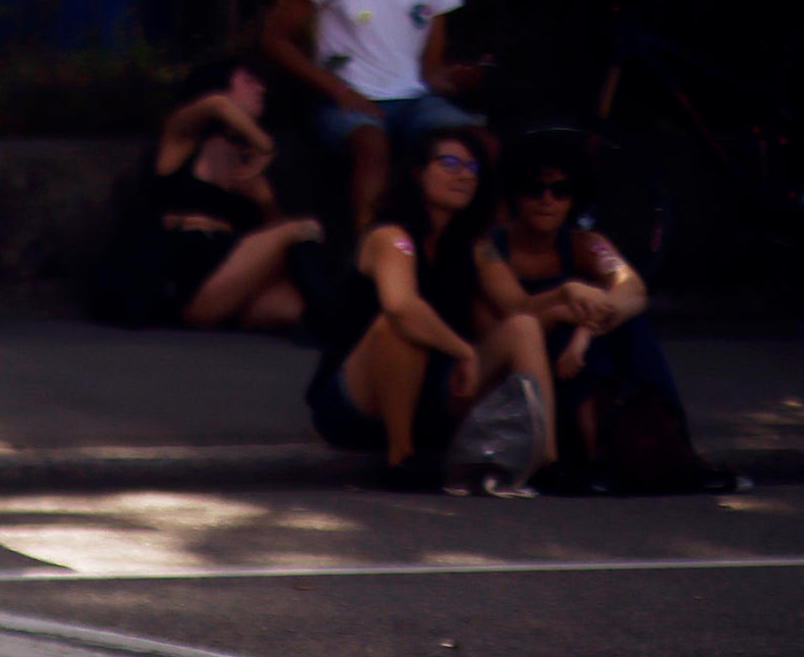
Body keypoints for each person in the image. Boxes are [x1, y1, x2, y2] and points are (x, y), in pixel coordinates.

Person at [305, 125, 546, 489]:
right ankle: (401, 458)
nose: (464, 175)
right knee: (399, 327)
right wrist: (464, 350)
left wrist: (572, 298)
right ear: (417, 173)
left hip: (433, 394)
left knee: (523, 327)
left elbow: (520, 305)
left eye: (472, 168)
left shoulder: (474, 246)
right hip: (354, 403)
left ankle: (543, 458)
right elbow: (401, 307)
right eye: (450, 163)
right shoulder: (390, 237)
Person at [478, 136, 708, 490]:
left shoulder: (586, 243)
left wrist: (586, 332)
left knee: (632, 327)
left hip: (574, 358)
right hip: (512, 370)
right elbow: (517, 310)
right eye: (533, 188)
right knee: (568, 331)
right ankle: (590, 455)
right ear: (514, 194)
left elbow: (633, 290)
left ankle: (673, 443)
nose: (546, 200)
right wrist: (566, 296)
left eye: (561, 190)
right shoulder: (491, 248)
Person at [261, 0, 481, 231]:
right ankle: (369, 253)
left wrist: (455, 77)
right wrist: (338, 89)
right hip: (348, 99)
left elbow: (430, 71)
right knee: (371, 145)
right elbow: (275, 38)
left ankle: (483, 256)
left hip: (414, 102)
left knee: (478, 143)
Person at [122, 63, 328, 334]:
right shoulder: (182, 138)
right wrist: (265, 146)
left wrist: (265, 201)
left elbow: (276, 243)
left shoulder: (249, 161)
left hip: (230, 282)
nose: (261, 88)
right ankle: (335, 327)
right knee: (304, 228)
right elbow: (217, 105)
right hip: (190, 282)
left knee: (297, 304)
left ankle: (337, 329)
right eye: (250, 81)